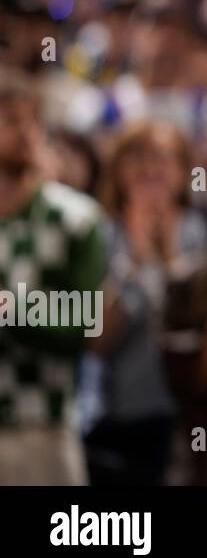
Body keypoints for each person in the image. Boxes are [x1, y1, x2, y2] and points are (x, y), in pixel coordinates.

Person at [82, 119, 207, 486]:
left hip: (184, 412)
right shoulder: (97, 231)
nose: (151, 170)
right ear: (118, 168)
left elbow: (193, 324)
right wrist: (136, 256)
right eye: (138, 157)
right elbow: (96, 338)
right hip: (112, 411)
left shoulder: (195, 230)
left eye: (164, 158)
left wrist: (167, 253)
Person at [0, 69, 107, 485]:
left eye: (32, 121)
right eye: (11, 120)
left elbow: (83, 322)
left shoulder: (73, 217)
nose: (25, 133)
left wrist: (9, 309)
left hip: (41, 421)